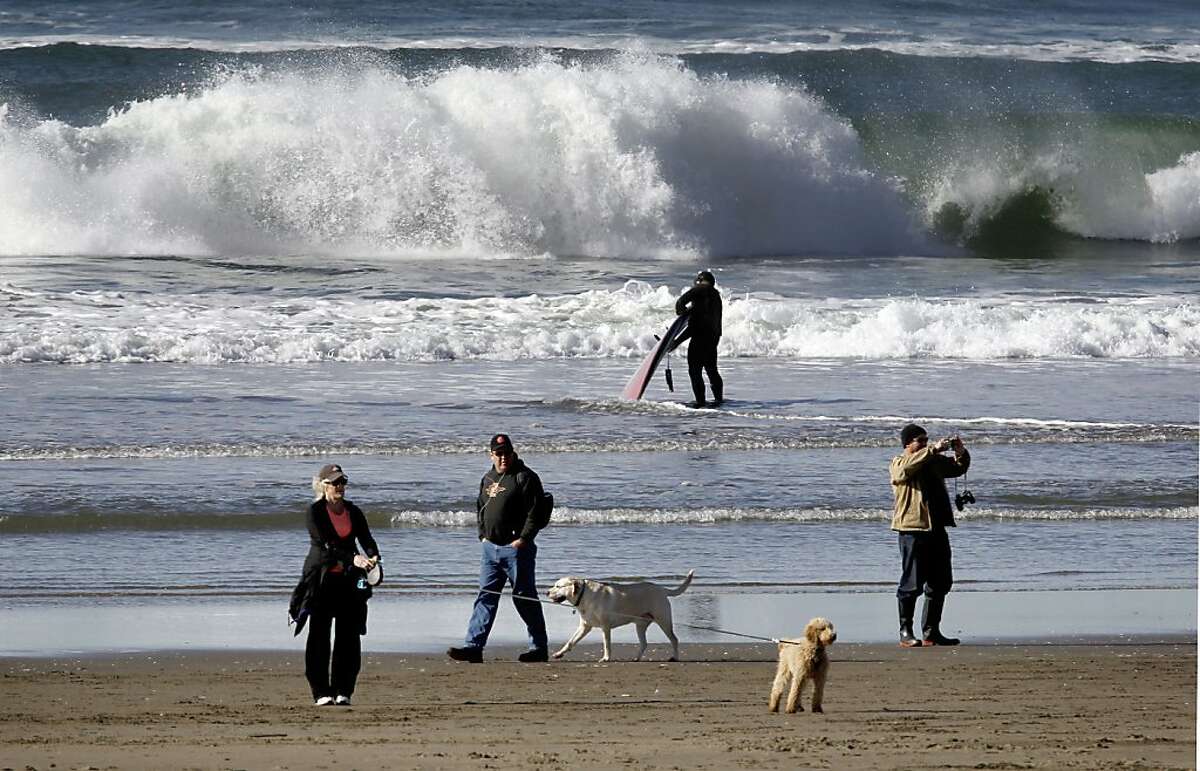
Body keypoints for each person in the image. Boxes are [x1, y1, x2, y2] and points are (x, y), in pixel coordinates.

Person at [447, 433, 549, 663]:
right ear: (491, 455)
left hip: (516, 550)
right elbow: (480, 507)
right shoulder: (488, 478)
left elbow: (536, 513)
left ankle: (538, 648)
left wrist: (522, 539)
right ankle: (473, 647)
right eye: (499, 454)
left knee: (524, 598)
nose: (503, 458)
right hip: (490, 549)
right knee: (486, 597)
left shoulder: (526, 477)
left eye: (507, 453)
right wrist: (482, 536)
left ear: (513, 453)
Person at [293, 463, 380, 705]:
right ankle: (321, 691)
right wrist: (354, 557)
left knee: (349, 636)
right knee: (319, 636)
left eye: (343, 482)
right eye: (334, 482)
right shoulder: (315, 512)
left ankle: (344, 690)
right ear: (323, 485)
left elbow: (366, 538)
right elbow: (327, 544)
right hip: (321, 580)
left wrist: (373, 557)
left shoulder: (353, 511)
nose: (340, 486)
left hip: (349, 581)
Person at [889, 424, 970, 647]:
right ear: (907, 444)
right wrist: (932, 450)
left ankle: (931, 631)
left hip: (937, 529)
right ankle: (905, 631)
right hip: (912, 529)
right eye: (920, 441)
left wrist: (960, 452)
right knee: (911, 583)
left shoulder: (933, 461)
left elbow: (957, 468)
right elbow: (902, 472)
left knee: (941, 581)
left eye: (926, 440)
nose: (924, 444)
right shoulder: (899, 462)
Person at [674, 270, 724, 407]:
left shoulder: (698, 290)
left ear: (699, 280)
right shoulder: (716, 296)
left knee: (695, 371)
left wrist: (682, 314)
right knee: (711, 370)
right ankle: (719, 400)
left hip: (699, 338)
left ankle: (700, 402)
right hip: (713, 338)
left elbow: (680, 304)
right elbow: (709, 322)